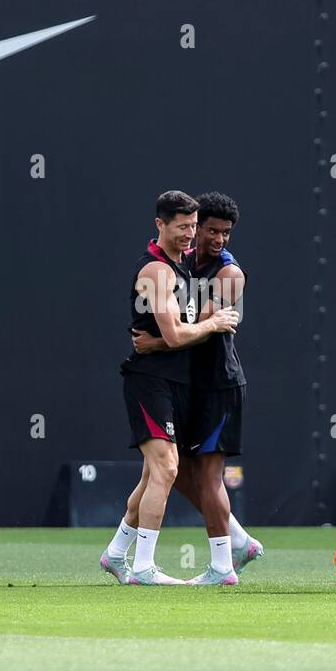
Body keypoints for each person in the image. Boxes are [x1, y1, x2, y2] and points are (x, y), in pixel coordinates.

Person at [126, 192, 264, 585]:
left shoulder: (230, 274)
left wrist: (155, 343)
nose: (219, 239)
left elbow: (202, 325)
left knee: (203, 477)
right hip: (185, 386)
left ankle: (222, 566)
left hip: (219, 384)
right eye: (211, 230)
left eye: (227, 233)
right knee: (170, 471)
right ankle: (236, 541)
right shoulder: (177, 261)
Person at [101, 190, 238, 585]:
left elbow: (178, 334)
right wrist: (212, 325)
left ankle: (115, 554)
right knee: (167, 468)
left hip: (176, 382)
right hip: (150, 382)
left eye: (193, 227)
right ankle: (143, 567)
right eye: (181, 227)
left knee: (150, 477)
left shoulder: (186, 268)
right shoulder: (157, 271)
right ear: (160, 224)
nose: (189, 235)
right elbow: (177, 335)